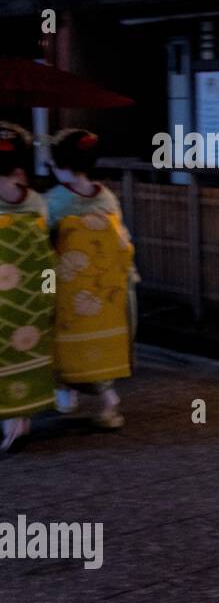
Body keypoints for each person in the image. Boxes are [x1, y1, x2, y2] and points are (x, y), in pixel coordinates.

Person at [46, 129, 137, 430]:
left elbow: (44, 244)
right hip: (106, 286)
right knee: (101, 343)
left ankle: (71, 393)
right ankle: (103, 402)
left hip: (71, 289)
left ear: (61, 166)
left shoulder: (54, 202)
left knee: (61, 341)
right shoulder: (106, 197)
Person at [0, 123, 56, 452]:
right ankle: (21, 415)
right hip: (35, 290)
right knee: (27, 349)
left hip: (4, 293)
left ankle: (11, 420)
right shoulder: (35, 200)